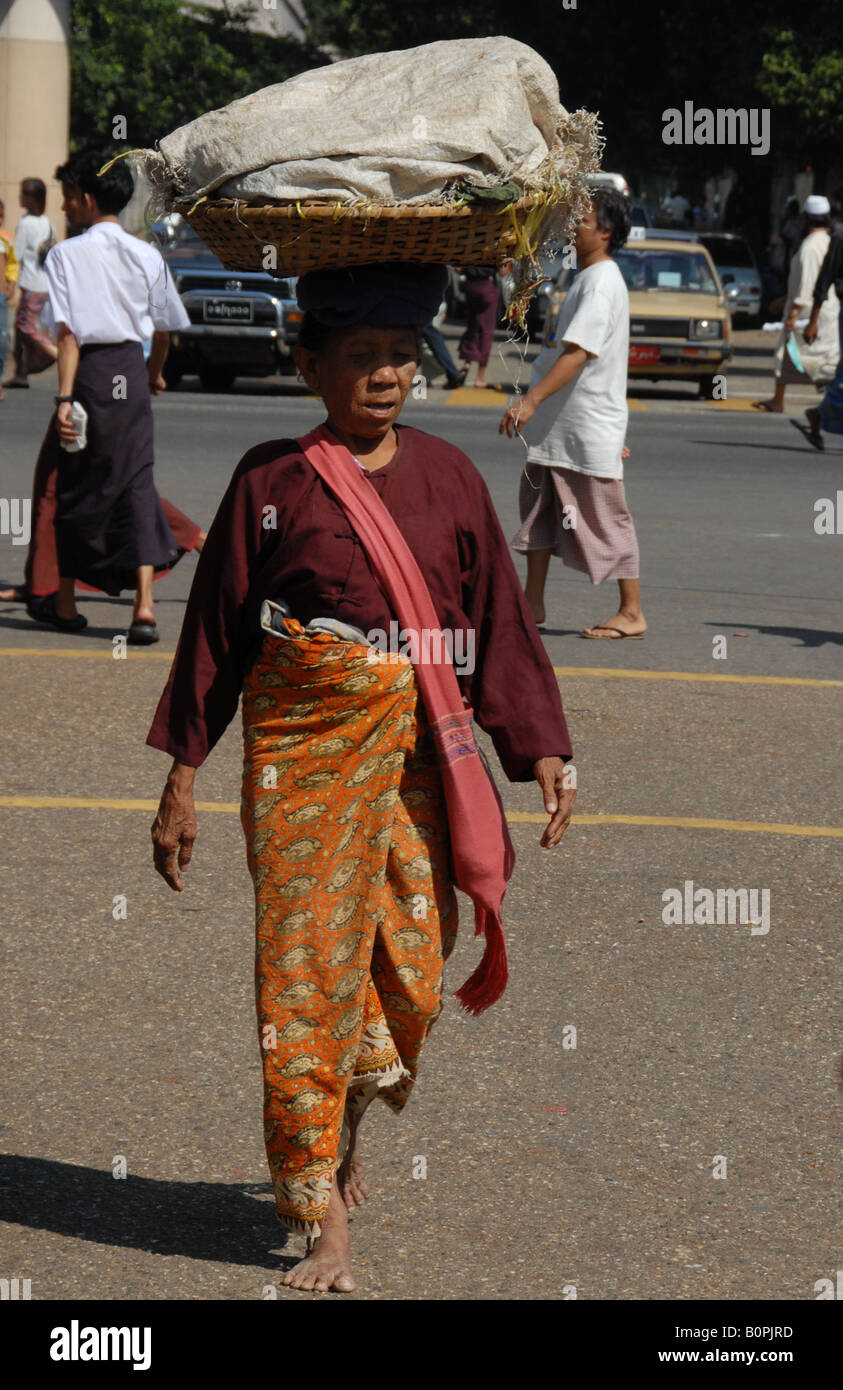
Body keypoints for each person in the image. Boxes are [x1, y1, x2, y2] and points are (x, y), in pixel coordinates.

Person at [147, 261, 576, 1293]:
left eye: (399, 357)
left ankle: (347, 1136)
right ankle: (324, 1208)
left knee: (411, 978)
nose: (385, 376)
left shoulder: (451, 479)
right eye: (359, 357)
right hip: (299, 765)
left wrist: (544, 749)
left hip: (419, 759)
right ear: (310, 366)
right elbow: (215, 635)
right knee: (308, 980)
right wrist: (181, 777)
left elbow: (499, 628)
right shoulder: (268, 481)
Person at [30, 149, 192, 641]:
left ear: (83, 198)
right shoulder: (146, 254)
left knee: (77, 483)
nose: (64, 208)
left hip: (90, 377)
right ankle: (144, 607)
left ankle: (63, 601)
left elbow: (68, 336)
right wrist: (152, 375)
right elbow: (164, 333)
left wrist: (63, 400)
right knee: (136, 484)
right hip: (129, 372)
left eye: (67, 198)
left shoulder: (66, 255)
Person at [500, 190, 646, 640]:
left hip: (582, 425)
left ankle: (632, 610)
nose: (571, 227)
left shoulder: (602, 281)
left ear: (605, 231)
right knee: (539, 510)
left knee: (605, 516)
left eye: (580, 219)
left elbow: (579, 353)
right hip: (560, 427)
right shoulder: (584, 277)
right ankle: (533, 601)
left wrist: (531, 400)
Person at [752, 195, 839, 414]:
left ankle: (820, 406)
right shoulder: (828, 242)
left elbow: (808, 283)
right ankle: (778, 400)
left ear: (806, 220)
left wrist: (794, 312)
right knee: (795, 357)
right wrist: (784, 301)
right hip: (824, 310)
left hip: (811, 313)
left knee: (816, 361)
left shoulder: (810, 247)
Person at [796, 197, 843, 449]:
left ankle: (819, 413)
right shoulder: (839, 237)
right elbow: (823, 282)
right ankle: (820, 414)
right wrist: (812, 321)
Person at [4, 178, 57, 388]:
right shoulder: (48, 224)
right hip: (44, 284)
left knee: (26, 327)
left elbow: (15, 256)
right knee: (21, 330)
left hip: (31, 284)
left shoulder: (26, 224)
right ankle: (21, 373)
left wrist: (9, 282)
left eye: (24, 193)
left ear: (32, 198)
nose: (20, 197)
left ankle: (57, 353)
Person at [458, 266, 502, 388]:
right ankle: (480, 377)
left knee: (472, 326)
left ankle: (467, 364)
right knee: (486, 331)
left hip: (470, 286)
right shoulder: (493, 248)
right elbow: (503, 271)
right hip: (486, 286)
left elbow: (458, 268)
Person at [0, 198, 18, 399]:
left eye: (2, 216)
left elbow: (13, 264)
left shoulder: (5, 238)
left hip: (1, 297)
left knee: (2, 340)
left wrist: (11, 284)